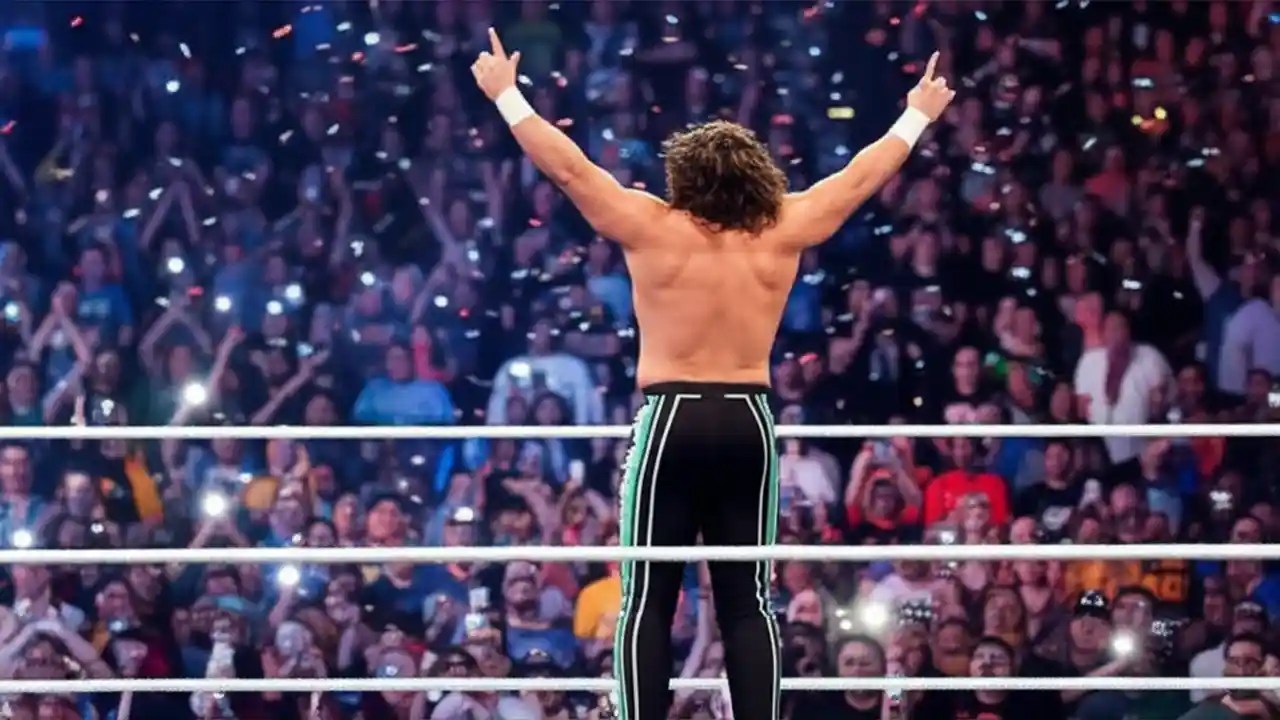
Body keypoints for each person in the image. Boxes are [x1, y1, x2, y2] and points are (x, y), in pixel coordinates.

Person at [471, 28, 956, 720]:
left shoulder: (653, 226)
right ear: (755, 173)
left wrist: (508, 96)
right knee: (746, 599)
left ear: (684, 174)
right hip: (750, 419)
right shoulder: (783, 228)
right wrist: (917, 113)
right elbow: (856, 182)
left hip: (674, 416)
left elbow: (572, 170)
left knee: (648, 595)